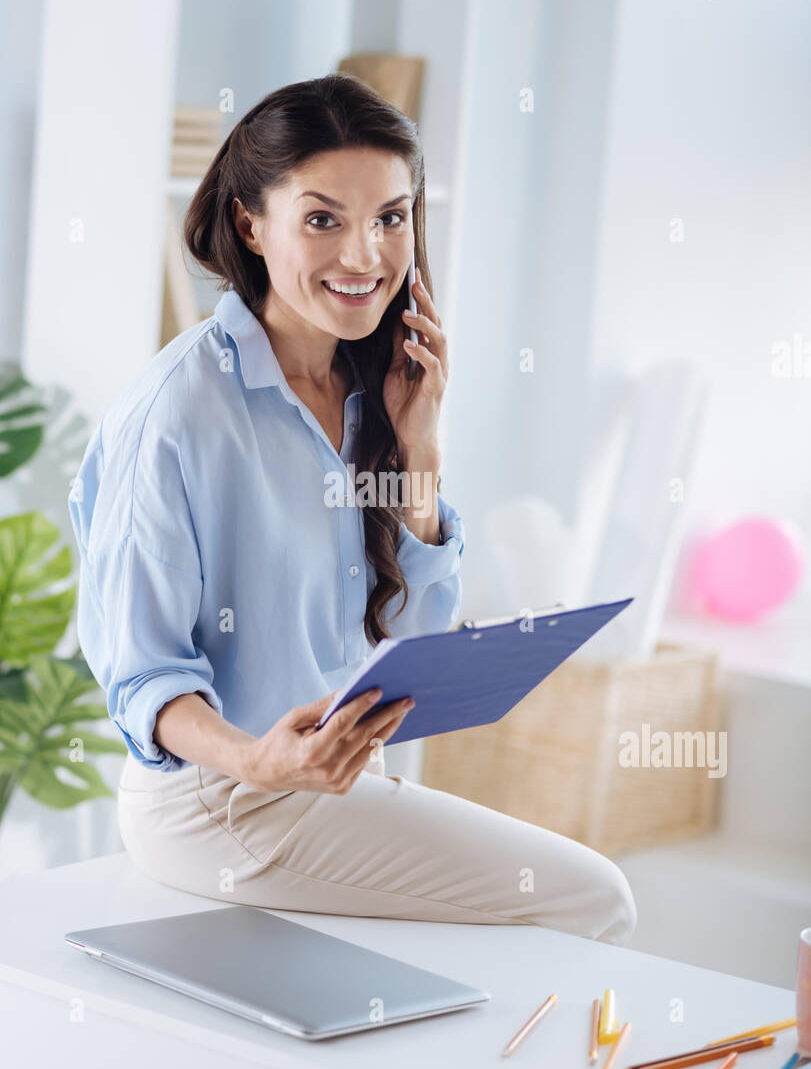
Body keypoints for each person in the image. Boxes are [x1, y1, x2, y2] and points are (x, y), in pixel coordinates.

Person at [69, 73, 635, 942]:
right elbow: (143, 675)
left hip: (330, 785)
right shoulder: (179, 414)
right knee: (593, 898)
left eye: (391, 218)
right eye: (323, 219)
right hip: (220, 804)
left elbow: (410, 646)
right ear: (252, 224)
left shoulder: (375, 391)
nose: (365, 255)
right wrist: (261, 759)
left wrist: (421, 451)